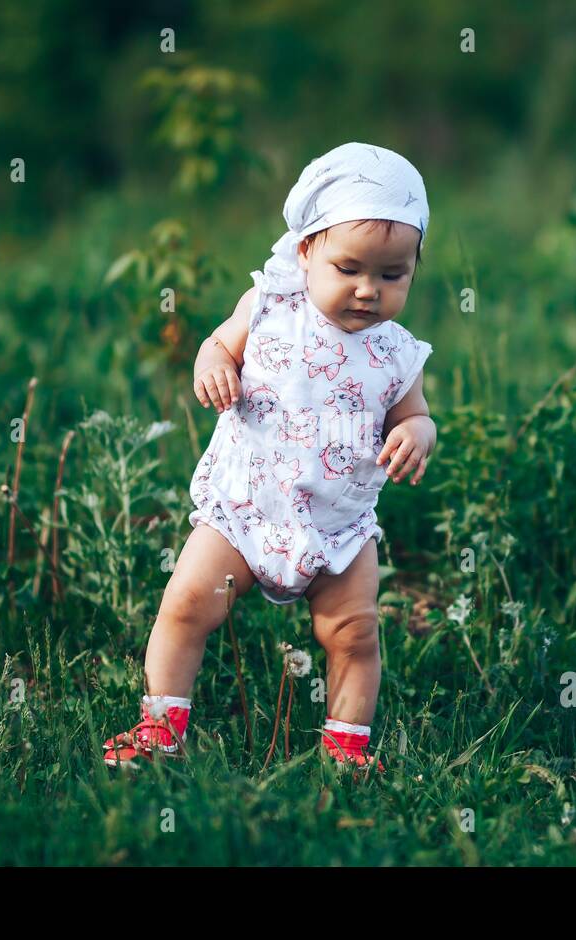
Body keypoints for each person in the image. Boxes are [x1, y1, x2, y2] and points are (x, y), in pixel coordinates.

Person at [103, 142, 436, 772]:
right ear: (306, 251)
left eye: (393, 276)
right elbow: (217, 346)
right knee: (186, 606)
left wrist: (419, 433)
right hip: (248, 504)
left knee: (355, 634)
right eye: (350, 269)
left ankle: (346, 748)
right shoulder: (269, 308)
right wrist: (213, 364)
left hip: (338, 526)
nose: (369, 291)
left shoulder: (397, 354)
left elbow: (413, 413)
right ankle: (161, 726)